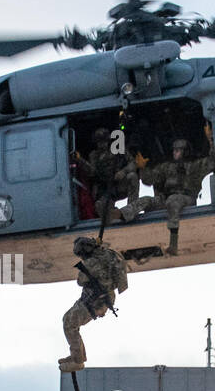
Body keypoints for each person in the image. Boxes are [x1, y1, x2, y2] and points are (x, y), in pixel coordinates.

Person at [58, 237, 128, 372]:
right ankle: (77, 355)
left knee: (69, 323)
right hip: (105, 297)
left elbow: (80, 280)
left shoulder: (91, 263)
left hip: (95, 301)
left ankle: (78, 361)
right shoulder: (109, 254)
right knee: (69, 319)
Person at [121, 138, 197, 254]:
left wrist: (210, 141)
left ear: (185, 152)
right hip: (166, 200)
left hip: (186, 200)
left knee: (173, 200)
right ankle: (120, 214)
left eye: (178, 150)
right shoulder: (167, 167)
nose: (174, 152)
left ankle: (173, 243)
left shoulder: (196, 166)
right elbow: (149, 180)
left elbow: (212, 161)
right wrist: (142, 168)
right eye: (174, 150)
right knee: (146, 200)